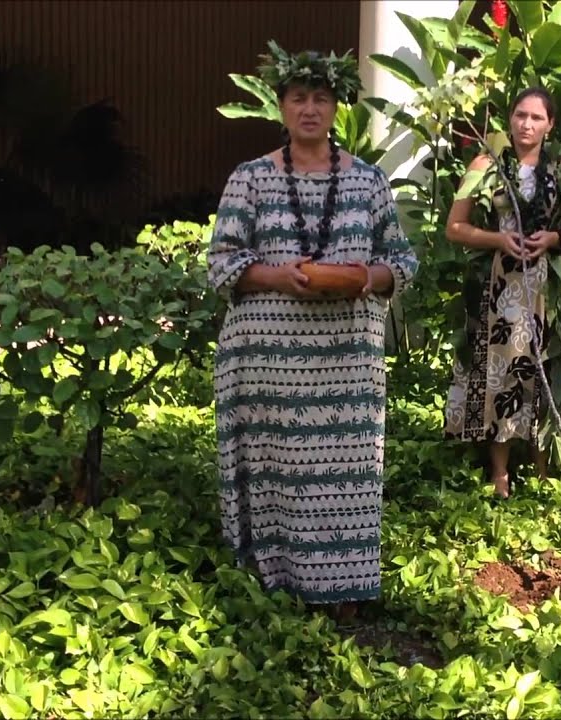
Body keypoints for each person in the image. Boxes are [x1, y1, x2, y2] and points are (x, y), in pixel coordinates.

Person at [206, 42, 418, 620]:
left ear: (336, 107)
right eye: (298, 98)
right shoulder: (249, 180)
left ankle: (342, 587)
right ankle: (275, 581)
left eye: (320, 98)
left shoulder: (369, 182)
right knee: (279, 470)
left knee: (343, 472)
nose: (309, 109)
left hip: (346, 359)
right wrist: (280, 275)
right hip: (266, 361)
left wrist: (363, 277)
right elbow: (222, 262)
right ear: (280, 107)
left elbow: (401, 261)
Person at [442, 88, 561, 499]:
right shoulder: (486, 164)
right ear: (509, 119)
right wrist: (496, 238)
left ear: (550, 125)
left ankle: (542, 465)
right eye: (520, 115)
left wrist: (554, 238)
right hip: (497, 283)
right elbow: (454, 227)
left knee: (540, 367)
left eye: (536, 118)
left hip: (543, 285)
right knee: (498, 370)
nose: (526, 124)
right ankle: (499, 472)